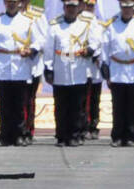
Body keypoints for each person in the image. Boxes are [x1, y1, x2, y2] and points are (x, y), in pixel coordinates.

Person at [101, 0, 134, 146]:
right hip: (117, 69)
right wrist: (104, 65)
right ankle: (118, 136)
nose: (126, 10)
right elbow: (105, 46)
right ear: (120, 7)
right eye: (124, 7)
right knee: (118, 106)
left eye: (129, 7)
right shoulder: (111, 24)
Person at [45, 0, 99, 146]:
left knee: (78, 106)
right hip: (61, 69)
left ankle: (76, 134)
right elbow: (49, 48)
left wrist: (90, 50)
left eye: (74, 7)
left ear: (78, 8)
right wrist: (48, 68)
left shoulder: (85, 24)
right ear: (64, 7)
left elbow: (95, 41)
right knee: (61, 106)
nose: (71, 10)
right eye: (68, 7)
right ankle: (62, 136)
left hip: (79, 69)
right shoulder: (55, 25)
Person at [0, 0, 38, 146]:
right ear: (5, 3)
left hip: (20, 66)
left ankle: (19, 134)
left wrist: (31, 50)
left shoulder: (27, 21)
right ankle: (5, 135)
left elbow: (37, 42)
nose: (12, 4)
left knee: (19, 104)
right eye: (9, 2)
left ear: (19, 3)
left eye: (14, 2)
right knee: (3, 104)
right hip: (2, 66)